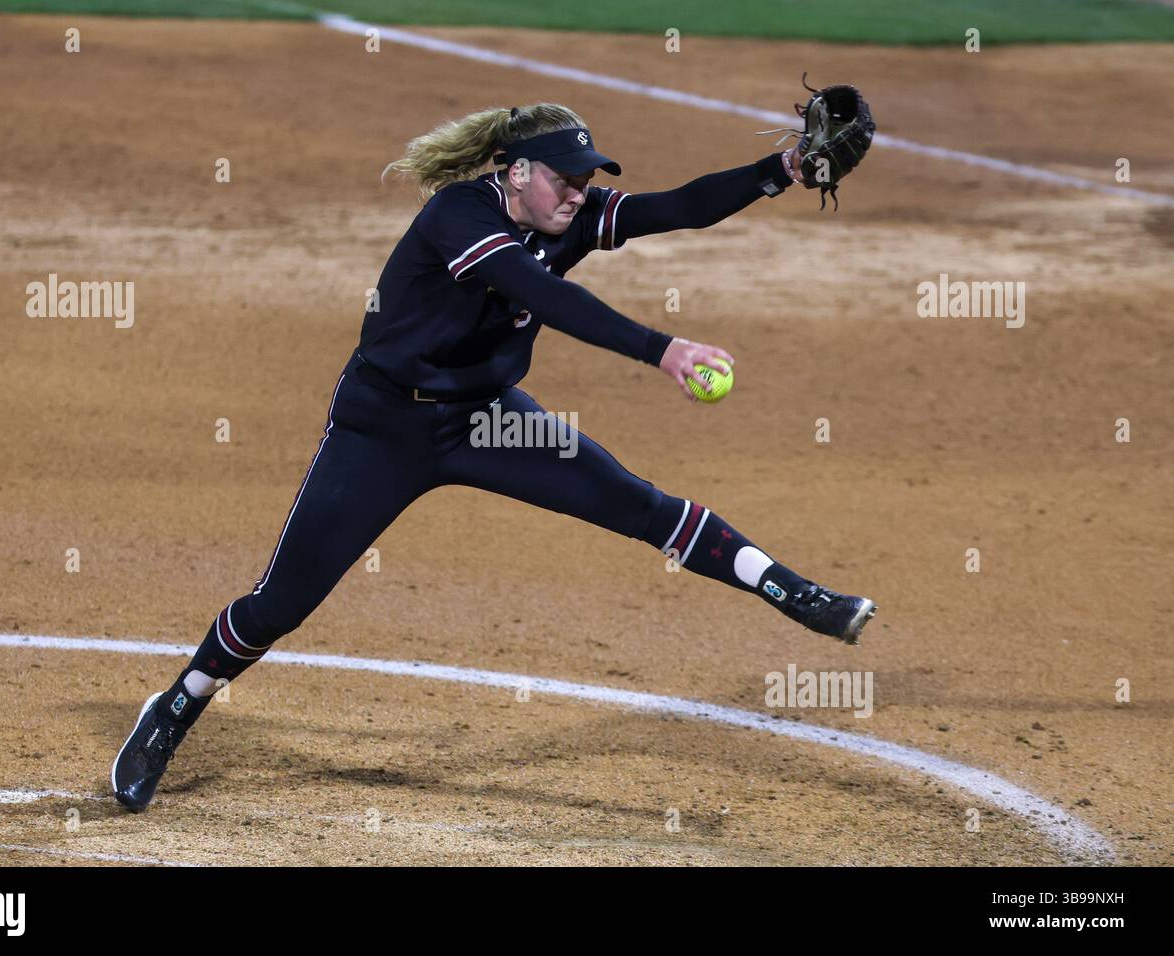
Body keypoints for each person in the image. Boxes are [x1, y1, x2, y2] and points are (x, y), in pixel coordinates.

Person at [112, 103, 877, 812]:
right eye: (563, 180)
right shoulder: (458, 214)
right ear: (515, 172)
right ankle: (178, 705)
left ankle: (795, 592)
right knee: (282, 602)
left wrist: (779, 172)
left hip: (487, 422)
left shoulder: (569, 213)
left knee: (634, 501)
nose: (578, 195)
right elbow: (540, 295)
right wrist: (661, 348)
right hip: (382, 428)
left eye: (586, 182)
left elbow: (676, 207)